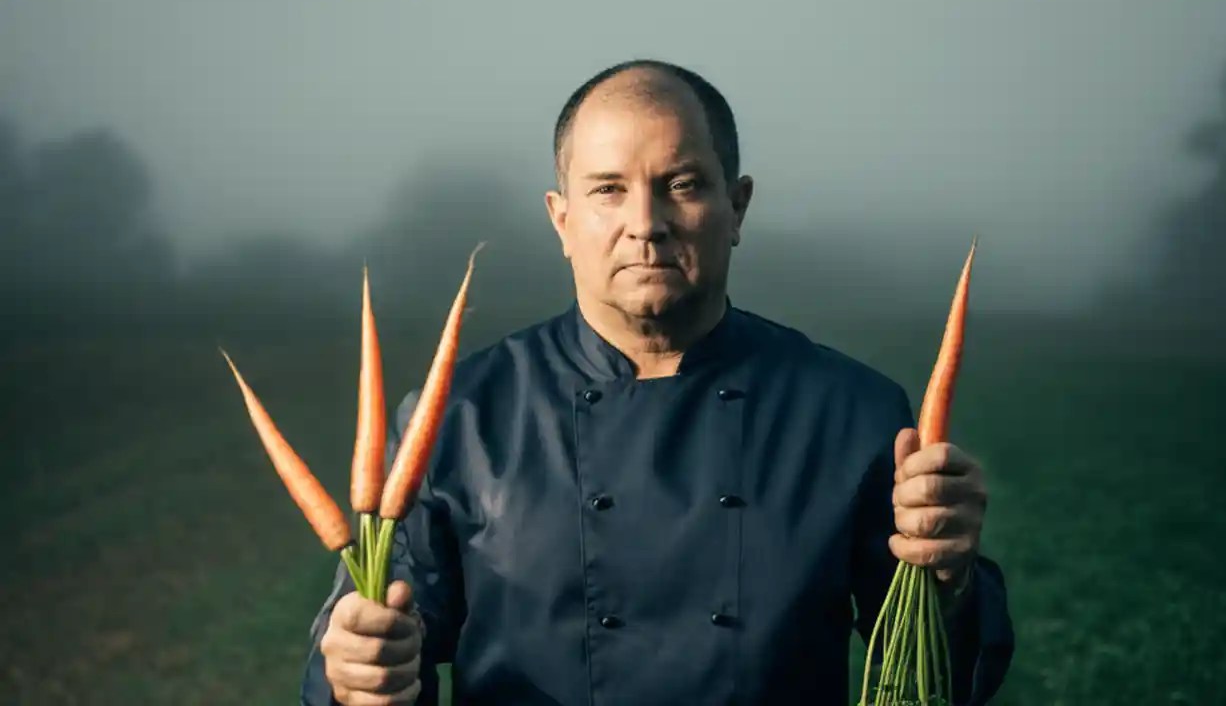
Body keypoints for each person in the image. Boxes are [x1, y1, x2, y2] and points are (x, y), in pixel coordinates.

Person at [300, 58, 1014, 705]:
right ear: (562, 219)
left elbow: (928, 680)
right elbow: (382, 656)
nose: (647, 224)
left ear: (737, 207)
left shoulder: (855, 413)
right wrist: (357, 670)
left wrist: (950, 578)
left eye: (683, 184)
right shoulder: (458, 415)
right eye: (609, 190)